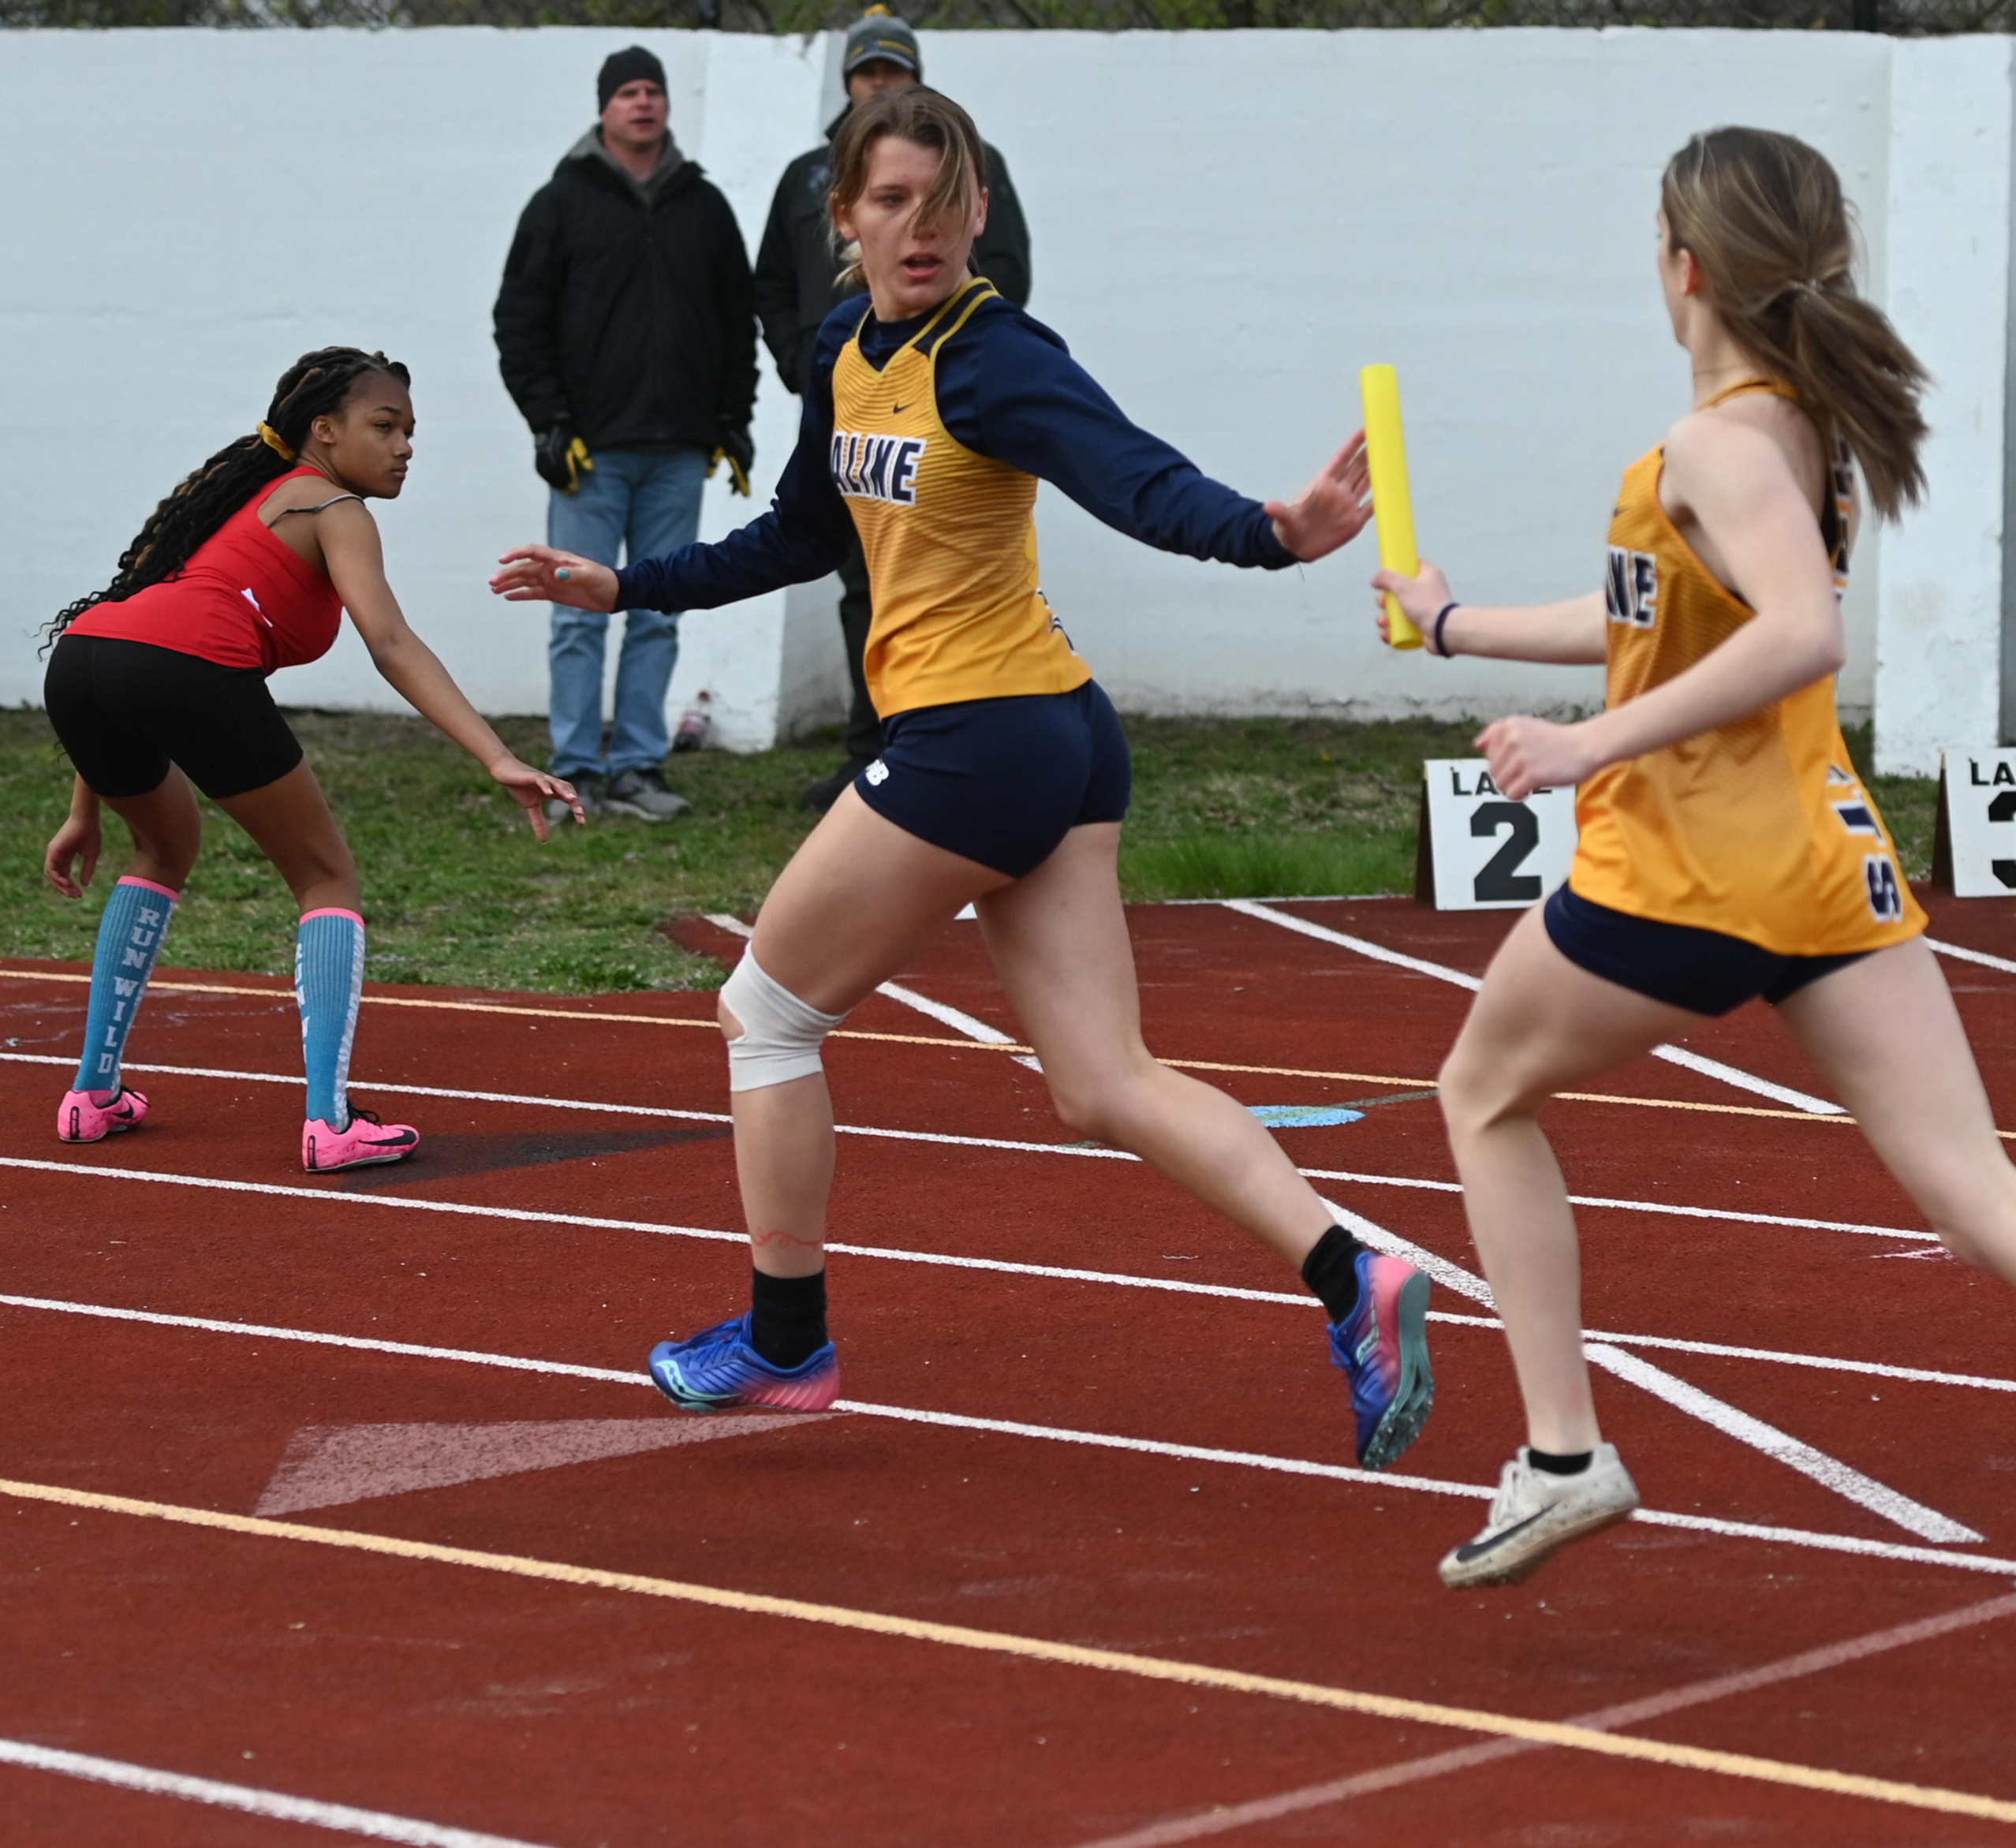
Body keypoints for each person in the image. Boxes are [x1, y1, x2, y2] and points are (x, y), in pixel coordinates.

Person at [1371, 127, 2016, 1691]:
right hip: (1825, 865)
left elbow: (1800, 635)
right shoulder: (1788, 432)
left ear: (1683, 264)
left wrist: (1590, 747)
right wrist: (1456, 623)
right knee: (1977, 1185)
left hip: (1691, 866)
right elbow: (1652, 621)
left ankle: (1562, 1450)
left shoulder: (1718, 445)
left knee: (1479, 1091)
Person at [490, 88, 1434, 1472]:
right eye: (890, 202)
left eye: (943, 203)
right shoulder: (841, 348)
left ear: (980, 210)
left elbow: (1135, 479)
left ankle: (786, 1340)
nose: (918, 228)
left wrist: (1269, 534)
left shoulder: (995, 355)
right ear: (844, 217)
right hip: (1048, 736)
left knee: (764, 1012)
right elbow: (801, 530)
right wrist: (627, 582)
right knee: (1101, 1081)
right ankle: (1355, 1272)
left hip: (983, 737)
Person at [40, 347, 580, 1173]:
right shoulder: (333, 506)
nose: (404, 446)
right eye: (384, 426)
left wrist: (87, 811)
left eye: (410, 431)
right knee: (326, 876)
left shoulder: (227, 496)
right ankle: (330, 1124)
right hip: (179, 668)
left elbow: (133, 643)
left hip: (83, 663)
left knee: (163, 848)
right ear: (323, 430)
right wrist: (496, 755)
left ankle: (92, 1094)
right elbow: (389, 643)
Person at [755, 9, 1032, 812]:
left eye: (894, 70)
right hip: (846, 404)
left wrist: (957, 362)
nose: (880, 82)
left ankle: (943, 745)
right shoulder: (808, 176)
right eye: (868, 70)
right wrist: (802, 363)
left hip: (937, 410)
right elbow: (771, 283)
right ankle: (870, 751)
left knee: (939, 579)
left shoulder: (973, 163)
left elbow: (1008, 271)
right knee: (858, 579)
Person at [494, 45, 760, 827]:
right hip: (590, 454)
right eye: (628, 92)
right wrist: (549, 421)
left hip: (678, 453)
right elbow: (519, 322)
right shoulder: (560, 203)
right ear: (605, 107)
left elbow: (735, 322)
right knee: (577, 617)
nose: (643, 102)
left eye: (653, 91)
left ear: (667, 105)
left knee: (659, 613)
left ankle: (638, 766)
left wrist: (731, 421)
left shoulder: (704, 207)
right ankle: (577, 768)